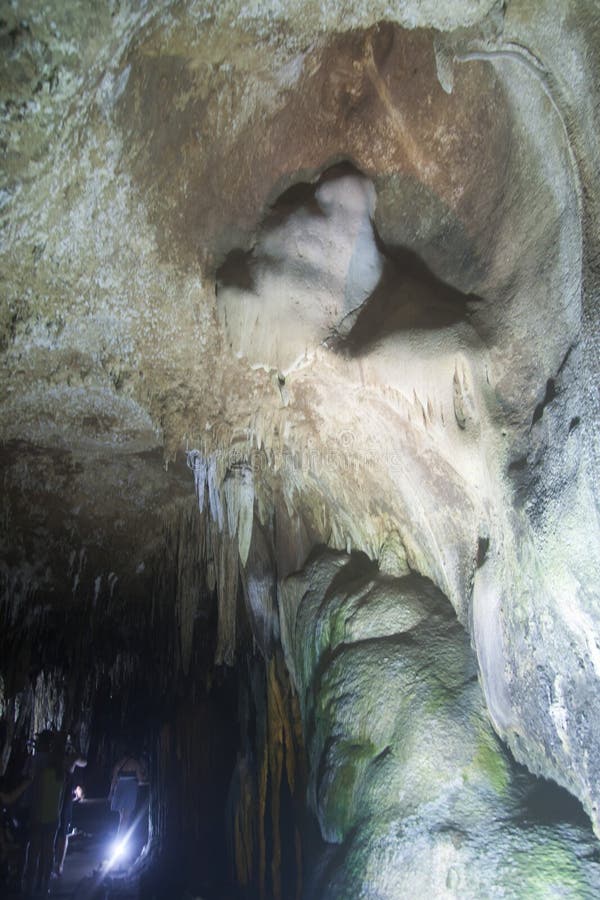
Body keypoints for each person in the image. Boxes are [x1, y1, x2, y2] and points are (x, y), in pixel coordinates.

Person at [21, 730, 65, 897]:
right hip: (53, 815)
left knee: (34, 851)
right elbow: (61, 796)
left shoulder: (38, 768)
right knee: (48, 852)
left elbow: (36, 793)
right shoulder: (61, 771)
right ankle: (44, 884)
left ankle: (29, 886)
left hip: (38, 814)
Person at [53, 737, 86, 877]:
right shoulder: (67, 759)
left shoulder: (59, 759)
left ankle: (57, 864)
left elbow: (83, 762)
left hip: (60, 798)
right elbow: (81, 761)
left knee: (60, 832)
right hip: (61, 798)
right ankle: (57, 864)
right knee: (60, 832)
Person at [109, 752, 146, 837]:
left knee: (122, 816)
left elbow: (114, 780)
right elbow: (141, 779)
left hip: (119, 789)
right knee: (126, 816)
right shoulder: (135, 763)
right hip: (130, 790)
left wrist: (111, 792)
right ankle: (120, 837)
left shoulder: (119, 764)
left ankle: (120, 836)